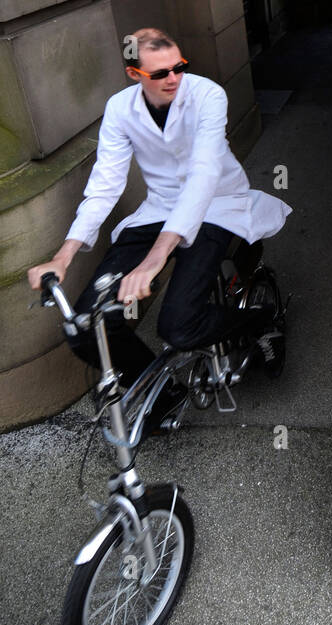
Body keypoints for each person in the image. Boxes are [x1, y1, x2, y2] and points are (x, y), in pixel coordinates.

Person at [27, 28, 291, 416]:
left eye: (179, 67)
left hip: (215, 205)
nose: (174, 78)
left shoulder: (207, 95)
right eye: (160, 73)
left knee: (179, 326)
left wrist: (154, 262)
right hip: (160, 208)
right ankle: (164, 396)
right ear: (135, 75)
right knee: (85, 326)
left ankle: (261, 320)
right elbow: (105, 184)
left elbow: (203, 176)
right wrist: (64, 255)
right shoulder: (120, 109)